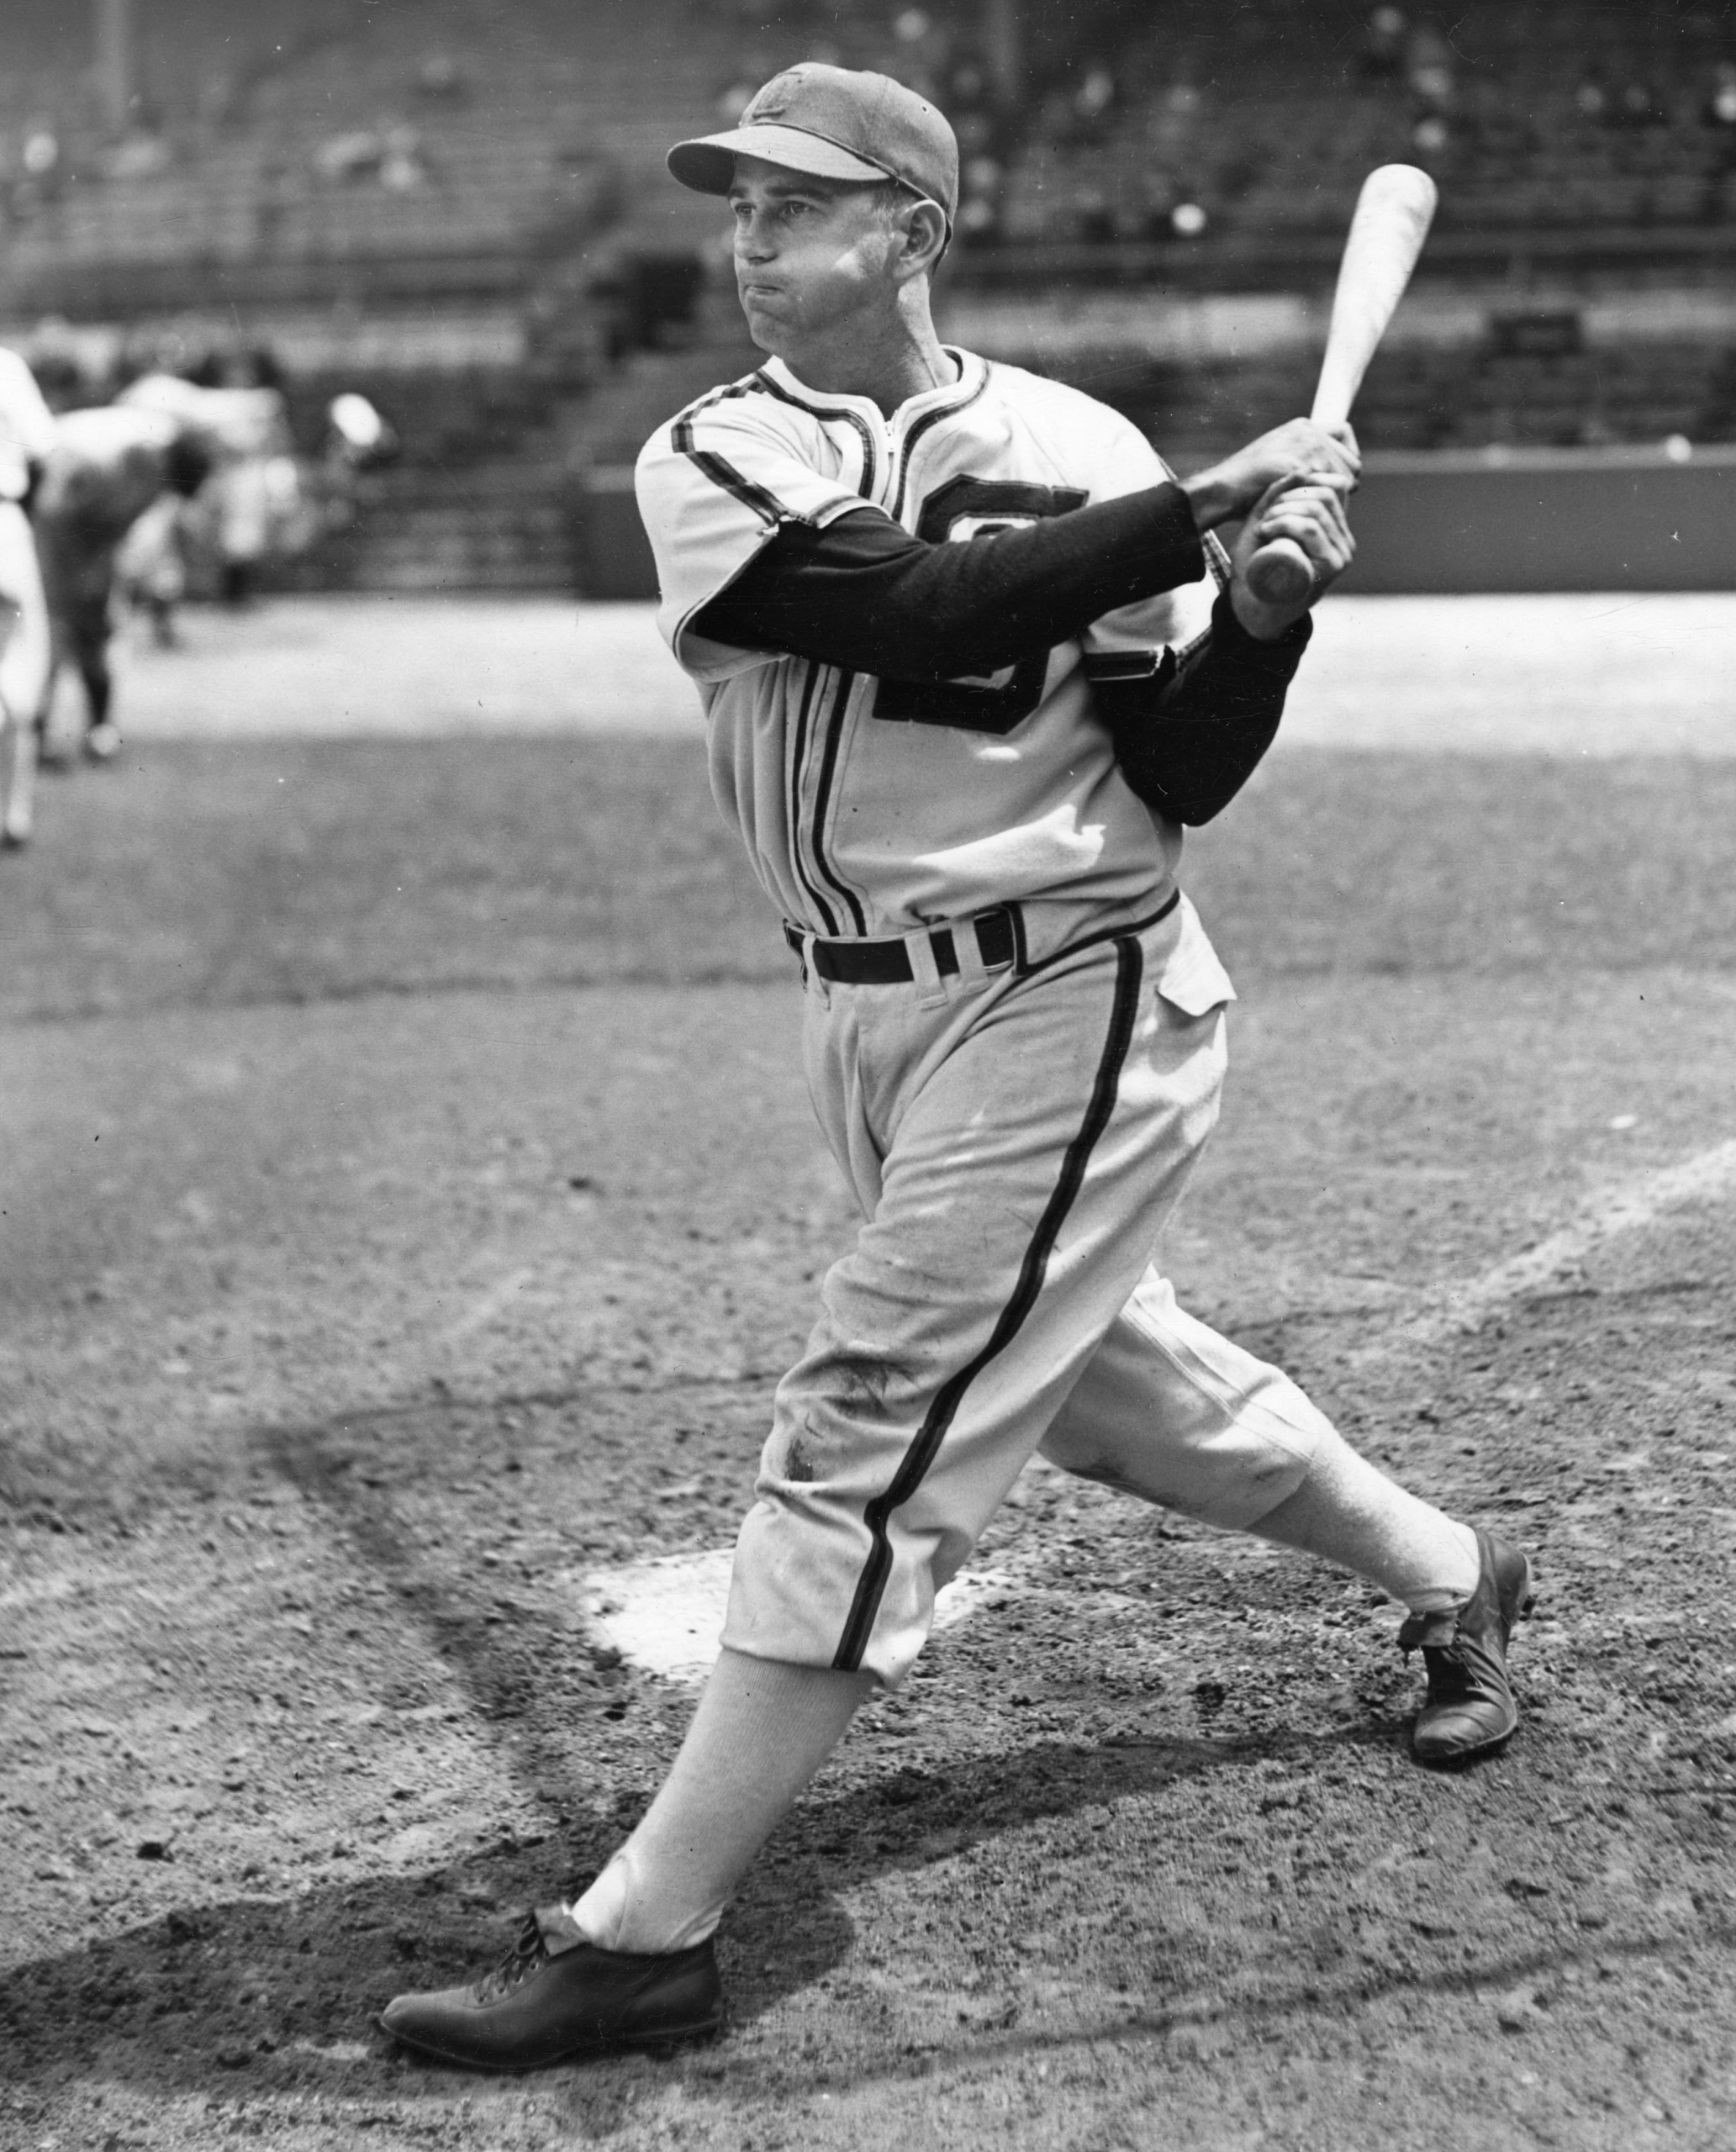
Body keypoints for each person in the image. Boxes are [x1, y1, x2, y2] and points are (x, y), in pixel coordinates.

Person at [382, 63, 1534, 2072]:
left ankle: (646, 1929)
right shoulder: (714, 448)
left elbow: (1173, 769)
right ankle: (1456, 1567)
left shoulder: (1079, 444)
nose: (746, 242)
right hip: (864, 1015)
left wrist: (1260, 621)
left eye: (791, 205)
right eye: (737, 207)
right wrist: (1204, 504)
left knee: (875, 1414)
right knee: (1108, 1388)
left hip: (1072, 988)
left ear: (908, 232)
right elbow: (910, 604)